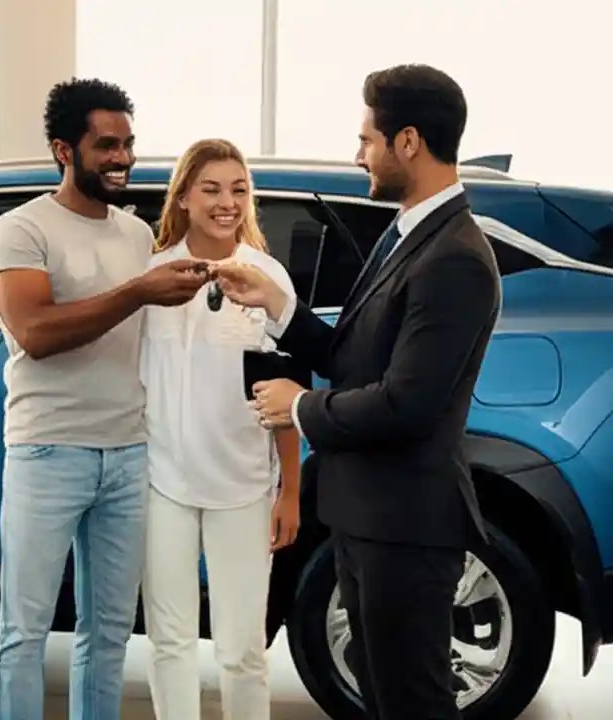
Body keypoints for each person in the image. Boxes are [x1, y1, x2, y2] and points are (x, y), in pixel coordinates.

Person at [210, 64, 502, 719]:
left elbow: (407, 403)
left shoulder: (454, 256)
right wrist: (279, 306)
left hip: (407, 526)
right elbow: (353, 357)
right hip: (367, 517)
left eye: (366, 138)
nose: (357, 153)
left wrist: (300, 407)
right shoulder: (407, 234)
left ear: (407, 143)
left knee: (412, 702)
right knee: (382, 694)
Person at [0, 77, 210, 720]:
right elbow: (35, 332)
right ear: (64, 150)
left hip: (128, 454)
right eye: (106, 144)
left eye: (128, 144)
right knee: (24, 632)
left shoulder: (136, 236)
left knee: (109, 633)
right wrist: (137, 292)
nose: (122, 158)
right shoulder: (21, 229)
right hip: (47, 452)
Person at [139, 139, 302, 720]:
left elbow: (285, 395)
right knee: (171, 643)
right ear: (183, 197)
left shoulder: (267, 277)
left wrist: (290, 493)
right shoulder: (152, 276)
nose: (225, 202)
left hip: (244, 487)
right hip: (163, 486)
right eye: (210, 189)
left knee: (242, 650)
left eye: (237, 189)